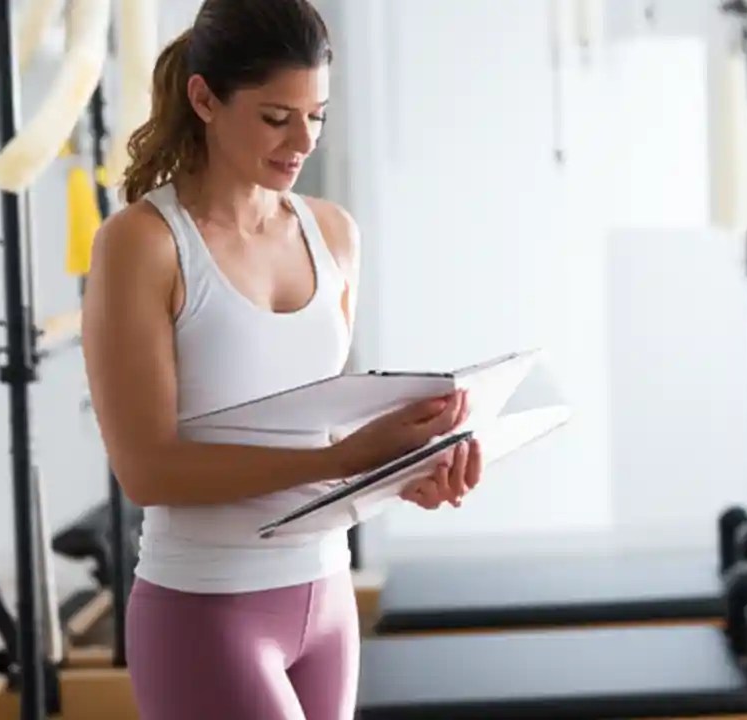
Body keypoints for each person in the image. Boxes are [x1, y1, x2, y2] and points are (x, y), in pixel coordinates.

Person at [80, 1, 482, 717]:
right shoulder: (141, 244)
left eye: (317, 115)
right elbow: (147, 470)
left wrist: (402, 472)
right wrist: (344, 461)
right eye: (276, 117)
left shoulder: (333, 233)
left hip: (326, 598)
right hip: (206, 605)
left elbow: (322, 432)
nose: (304, 141)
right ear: (204, 97)